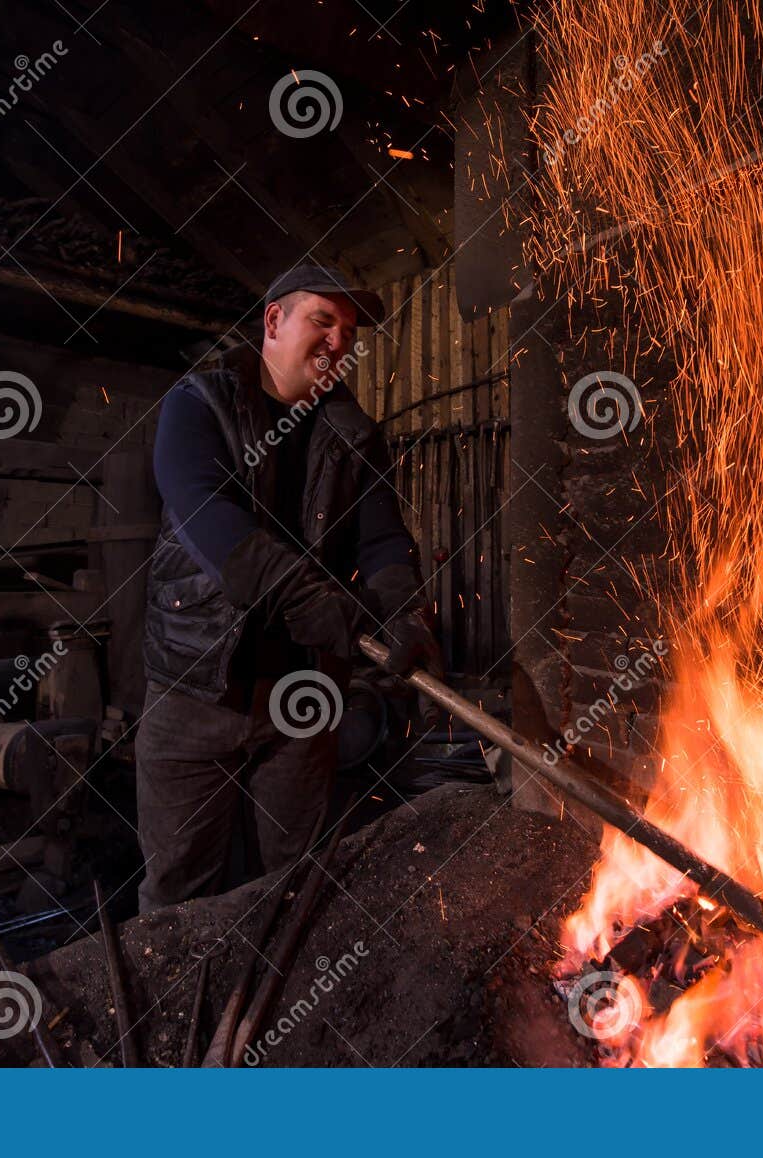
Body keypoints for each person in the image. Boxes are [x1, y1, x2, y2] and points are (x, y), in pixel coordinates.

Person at [135, 264, 441, 912]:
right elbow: (212, 520)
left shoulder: (354, 433)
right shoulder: (198, 404)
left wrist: (406, 615)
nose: (338, 344)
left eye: (348, 333)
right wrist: (309, 602)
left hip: (304, 699)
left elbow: (382, 541)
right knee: (179, 890)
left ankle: (288, 1006)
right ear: (274, 321)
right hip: (195, 689)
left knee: (295, 883)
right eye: (323, 322)